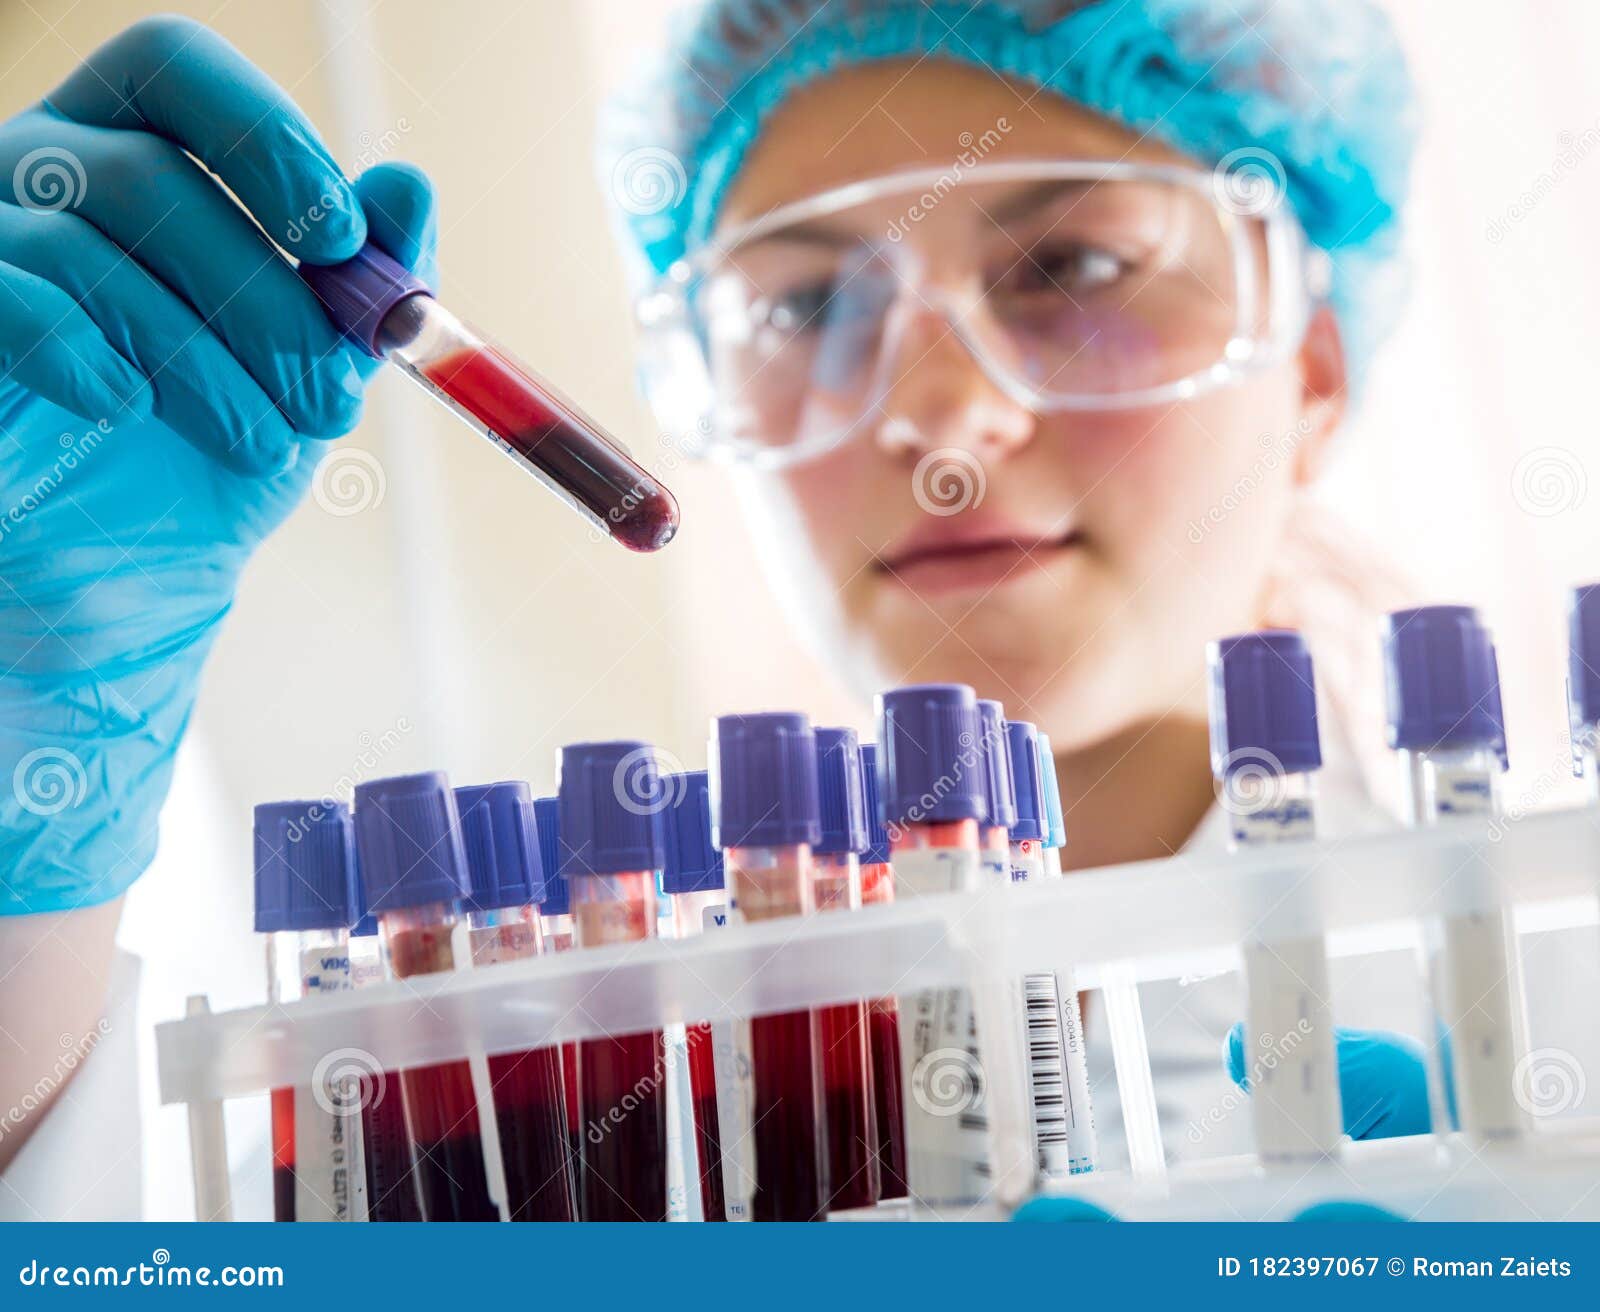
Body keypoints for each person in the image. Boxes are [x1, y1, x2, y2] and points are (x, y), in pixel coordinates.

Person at [0, 3, 1435, 1216]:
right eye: (807, 309)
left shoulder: (1547, 971)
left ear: (1309, 369)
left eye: (1071, 268)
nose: (939, 409)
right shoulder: (560, 1079)